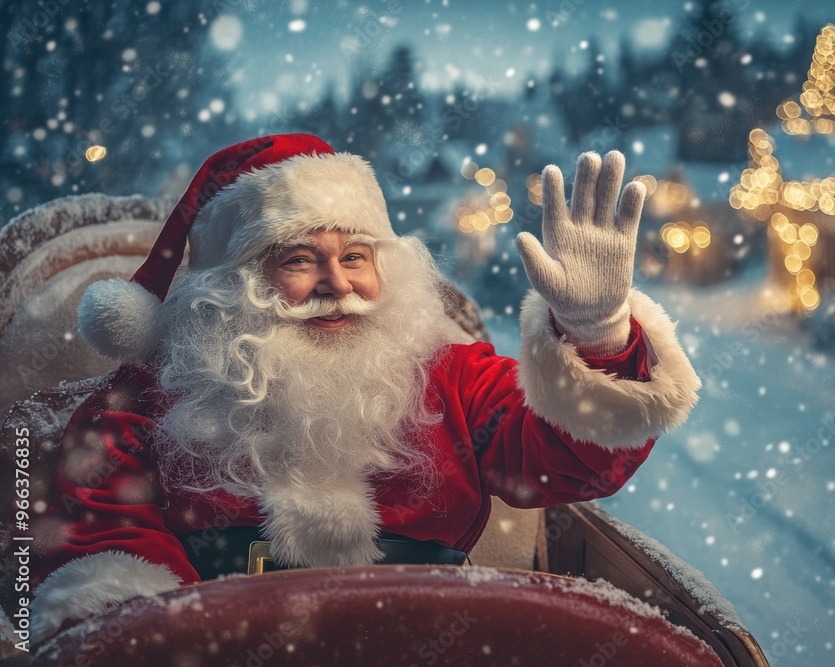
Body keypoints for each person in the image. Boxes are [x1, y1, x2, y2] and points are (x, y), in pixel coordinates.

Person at [29, 134, 700, 640]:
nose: (338, 283)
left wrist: (597, 333)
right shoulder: (139, 407)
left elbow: (568, 457)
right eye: (298, 258)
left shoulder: (450, 374)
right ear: (232, 286)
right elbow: (110, 575)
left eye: (355, 256)